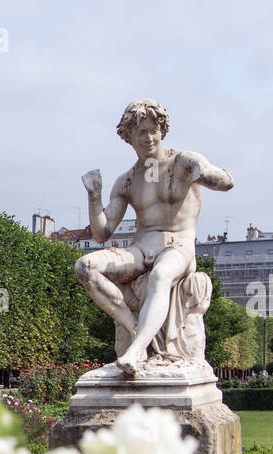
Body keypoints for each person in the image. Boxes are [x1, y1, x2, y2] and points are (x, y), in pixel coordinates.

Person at [74, 98, 233, 375]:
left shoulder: (183, 162)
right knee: (85, 267)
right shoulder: (126, 181)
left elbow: (226, 181)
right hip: (141, 248)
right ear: (128, 137)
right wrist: (94, 196)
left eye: (152, 130)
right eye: (140, 132)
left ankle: (136, 351)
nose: (148, 137)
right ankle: (136, 330)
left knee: (161, 276)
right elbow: (102, 233)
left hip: (178, 246)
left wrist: (205, 173)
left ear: (162, 130)